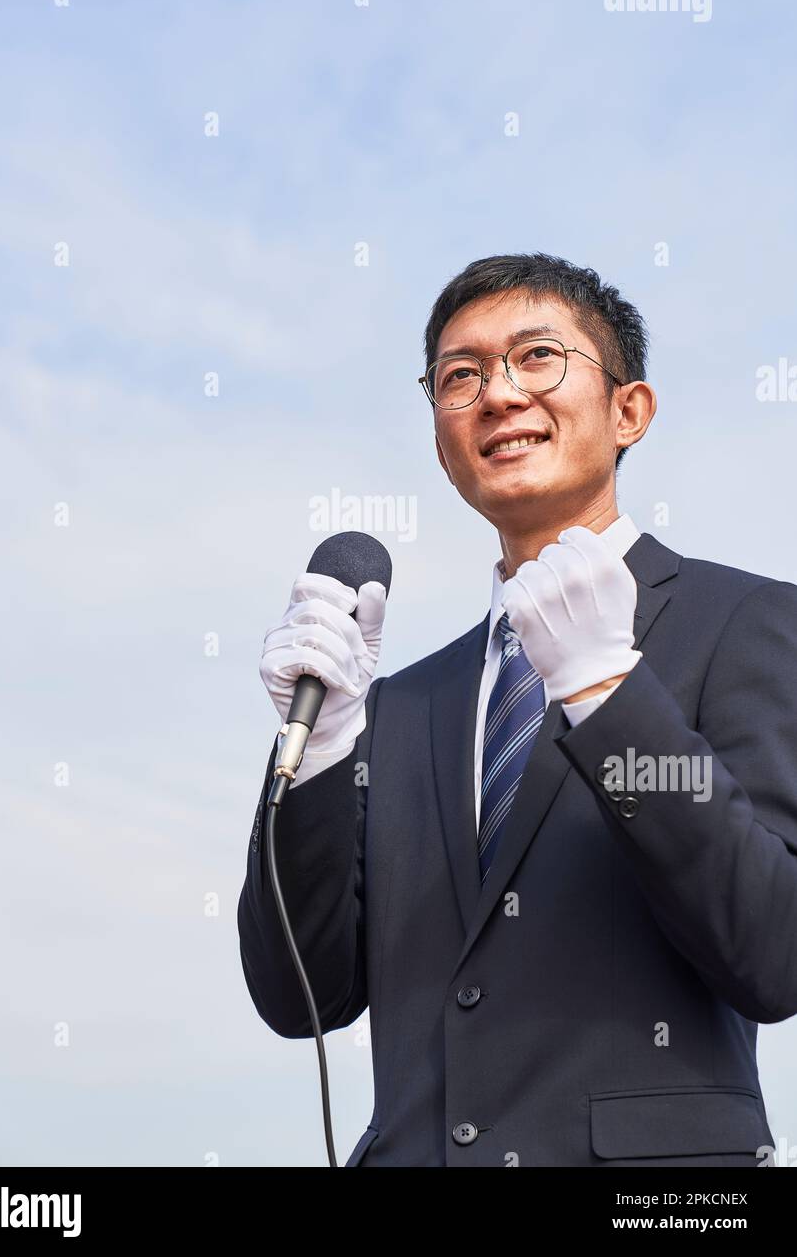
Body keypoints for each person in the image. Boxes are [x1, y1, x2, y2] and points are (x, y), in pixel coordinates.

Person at [238, 252, 797, 1167]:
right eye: (460, 377)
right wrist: (330, 746)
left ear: (629, 411)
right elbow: (300, 997)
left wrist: (609, 696)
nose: (496, 395)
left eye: (537, 357)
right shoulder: (402, 702)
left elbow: (771, 951)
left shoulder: (747, 623)